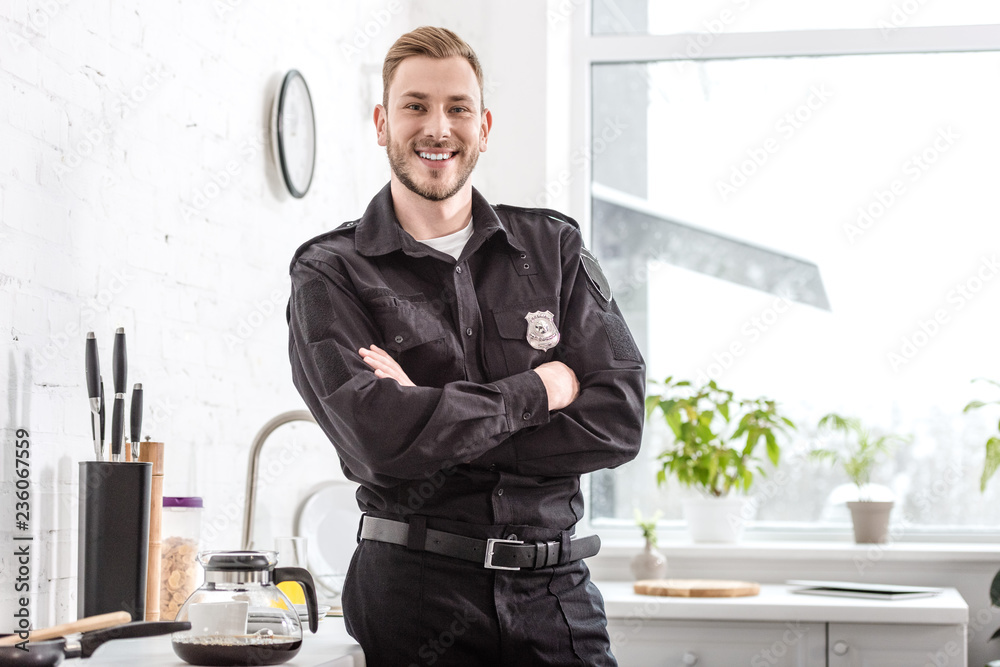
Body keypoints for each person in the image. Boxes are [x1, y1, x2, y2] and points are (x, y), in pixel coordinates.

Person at [286, 26, 645, 666]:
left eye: (456, 109)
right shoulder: (330, 272)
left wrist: (428, 414)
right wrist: (542, 390)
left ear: (482, 125)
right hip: (414, 601)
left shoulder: (553, 251)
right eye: (415, 106)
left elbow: (618, 420)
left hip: (557, 597)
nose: (437, 128)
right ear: (381, 122)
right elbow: (377, 440)